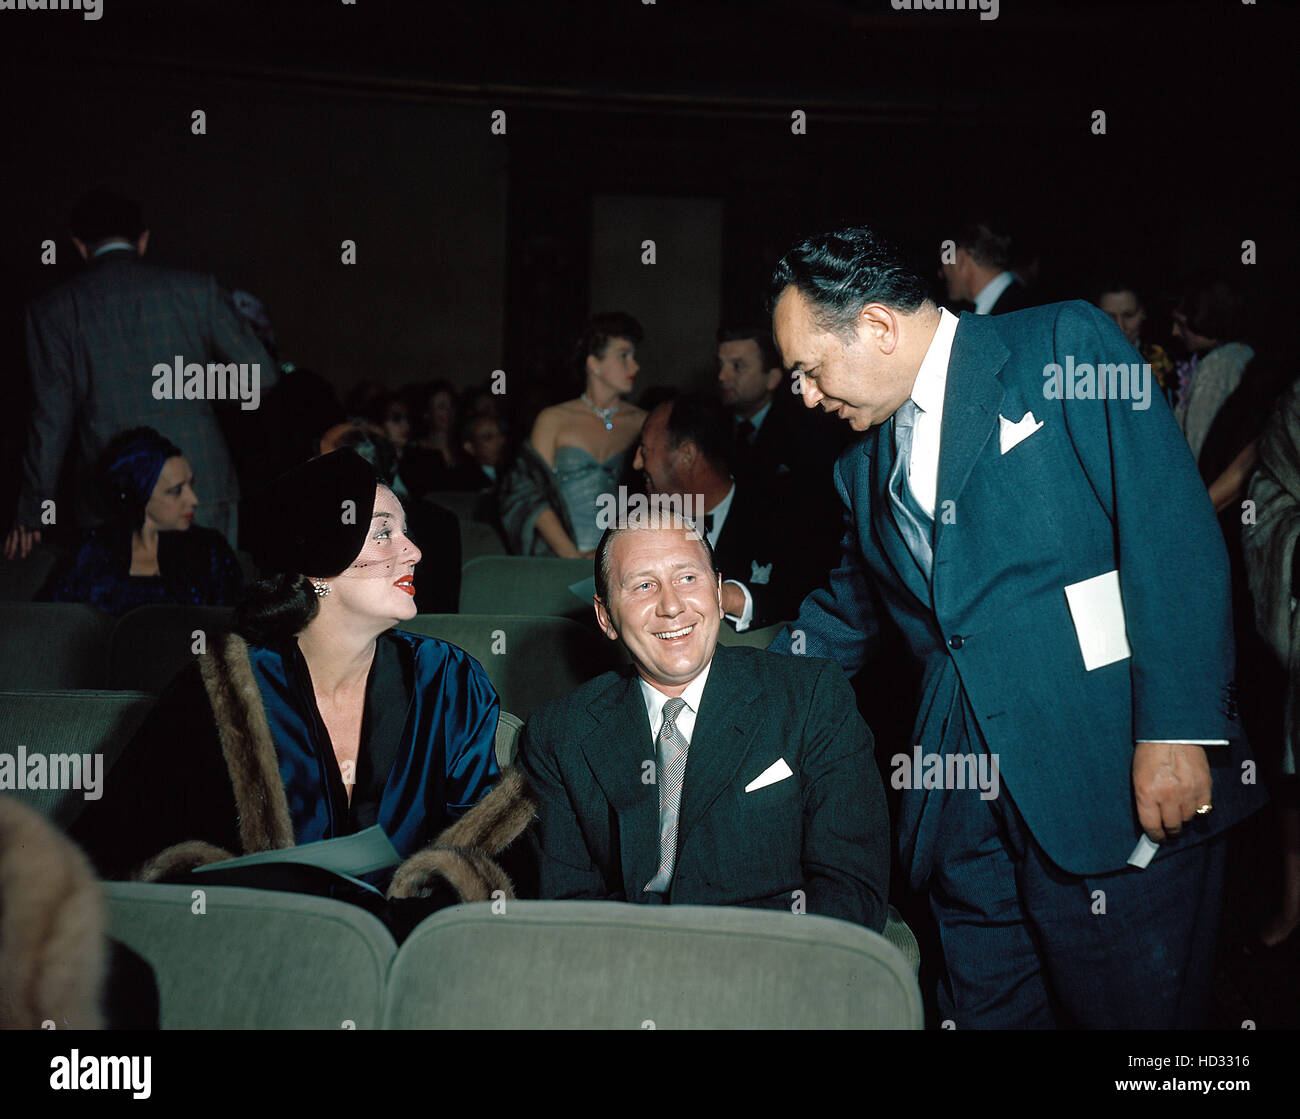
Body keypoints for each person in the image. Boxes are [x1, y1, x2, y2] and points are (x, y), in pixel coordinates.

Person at [767, 224, 1264, 1028]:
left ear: (878, 326)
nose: (806, 394)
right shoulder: (857, 469)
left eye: (809, 369)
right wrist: (724, 653)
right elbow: (851, 615)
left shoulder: (1062, 343)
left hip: (1110, 777)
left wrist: (1178, 728)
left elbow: (1170, 531)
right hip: (962, 814)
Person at [70, 449, 532, 910]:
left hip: (411, 950)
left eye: (405, 533)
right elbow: (118, 849)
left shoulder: (449, 681)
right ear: (319, 562)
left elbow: (492, 849)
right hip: (267, 948)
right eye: (385, 533)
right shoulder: (222, 690)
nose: (413, 551)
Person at [516, 519, 890, 928]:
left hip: (775, 963)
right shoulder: (558, 734)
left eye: (688, 578)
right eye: (644, 585)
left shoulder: (811, 698)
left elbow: (851, 891)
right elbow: (566, 910)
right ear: (605, 616)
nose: (672, 605)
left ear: (716, 591)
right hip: (629, 968)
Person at [5, 188, 275, 556]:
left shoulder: (52, 309)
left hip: (111, 491)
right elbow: (261, 377)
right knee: (212, 606)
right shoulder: (197, 291)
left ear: (80, 246)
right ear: (143, 240)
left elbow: (50, 420)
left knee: (125, 610)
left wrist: (34, 510)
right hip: (203, 482)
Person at [633, 394, 831, 631]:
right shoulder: (644, 522)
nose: (636, 463)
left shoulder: (785, 512)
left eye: (645, 451)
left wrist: (732, 598)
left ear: (687, 456)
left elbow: (810, 602)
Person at [45, 426, 242, 616]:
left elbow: (232, 630)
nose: (194, 499)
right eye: (175, 491)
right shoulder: (93, 551)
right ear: (140, 496)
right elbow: (57, 623)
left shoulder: (209, 550)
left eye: (190, 485)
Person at [499, 312, 646, 557]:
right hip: (561, 558)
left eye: (634, 356)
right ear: (593, 364)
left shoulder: (644, 422)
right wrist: (571, 557)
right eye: (623, 356)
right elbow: (528, 494)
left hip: (627, 558)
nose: (635, 366)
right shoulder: (553, 420)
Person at [1243, 376, 1300, 950]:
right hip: (1299, 627)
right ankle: (1292, 900)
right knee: (1292, 776)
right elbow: (1263, 499)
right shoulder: (1291, 408)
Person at [1093, 281, 1175, 405]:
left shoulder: (1164, 360)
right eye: (1108, 317)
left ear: (1143, 313)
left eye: (1129, 315)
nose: (1120, 327)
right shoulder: (1079, 363)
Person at [938, 217, 1033, 315]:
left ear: (960, 260)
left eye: (944, 261)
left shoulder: (1016, 312)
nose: (940, 273)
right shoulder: (1020, 302)